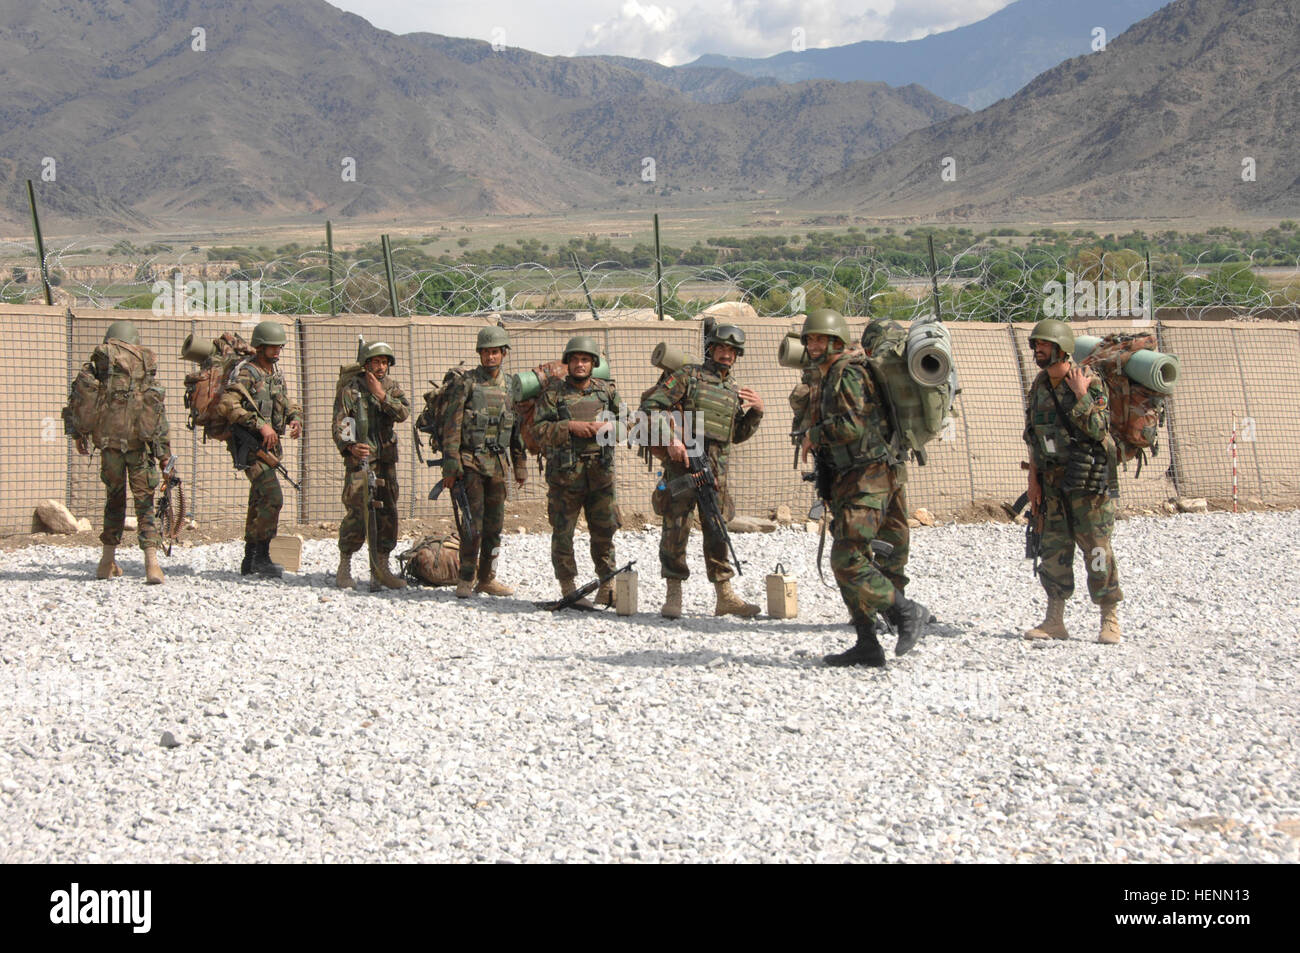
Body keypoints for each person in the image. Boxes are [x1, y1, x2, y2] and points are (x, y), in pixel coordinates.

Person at [799, 309, 928, 666]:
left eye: (819, 339)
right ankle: (867, 643)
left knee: (847, 557)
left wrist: (814, 435)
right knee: (850, 558)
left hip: (867, 479)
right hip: (847, 479)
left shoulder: (849, 373)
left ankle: (906, 611)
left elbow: (853, 426)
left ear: (836, 341)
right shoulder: (828, 376)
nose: (812, 345)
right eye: (809, 339)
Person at [639, 323, 763, 618]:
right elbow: (649, 407)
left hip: (715, 475)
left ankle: (725, 596)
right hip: (682, 467)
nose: (726, 354)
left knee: (717, 529)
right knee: (676, 528)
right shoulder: (688, 377)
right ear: (711, 349)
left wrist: (757, 411)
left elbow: (736, 434)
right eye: (721, 348)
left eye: (731, 351)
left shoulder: (733, 390)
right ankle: (674, 594)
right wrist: (671, 439)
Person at [1022, 319, 1122, 644]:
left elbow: (1099, 430)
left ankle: (1109, 618)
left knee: (1096, 551)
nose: (1038, 350)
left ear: (1061, 349)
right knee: (1053, 552)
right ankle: (1054, 621)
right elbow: (1034, 438)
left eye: (1044, 345)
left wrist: (1081, 396)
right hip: (1051, 486)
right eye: (1036, 345)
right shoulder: (1038, 386)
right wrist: (1033, 482)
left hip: (1086, 486)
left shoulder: (1089, 382)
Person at [65, 320, 173, 585]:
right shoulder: (143, 369)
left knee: (113, 502)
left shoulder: (99, 369)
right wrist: (164, 455)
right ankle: (152, 565)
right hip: (139, 447)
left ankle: (106, 562)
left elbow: (80, 403)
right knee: (145, 504)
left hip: (110, 448)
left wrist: (80, 435)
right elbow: (156, 413)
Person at [532, 336, 626, 607]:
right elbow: (537, 431)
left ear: (593, 363)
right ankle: (568, 588)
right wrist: (569, 427)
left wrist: (610, 429)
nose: (580, 364)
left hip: (601, 475)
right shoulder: (553, 394)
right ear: (568, 363)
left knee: (604, 531)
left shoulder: (606, 392)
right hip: (565, 478)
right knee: (563, 533)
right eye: (575, 359)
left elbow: (628, 422)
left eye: (585, 359)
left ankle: (607, 585)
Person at [440, 326, 527, 598]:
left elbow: (517, 430)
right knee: (472, 525)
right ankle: (466, 578)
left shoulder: (512, 386)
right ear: (480, 354)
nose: (490, 357)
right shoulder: (466, 383)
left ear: (503, 354)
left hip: (499, 464)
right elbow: (452, 426)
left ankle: (488, 577)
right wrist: (451, 466)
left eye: (495, 352)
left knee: (495, 525)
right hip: (471, 462)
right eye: (486, 352)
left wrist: (520, 464)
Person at [216, 320, 303, 579]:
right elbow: (227, 405)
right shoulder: (248, 374)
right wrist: (260, 425)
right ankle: (262, 556)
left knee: (259, 500)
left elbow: (286, 401)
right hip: (251, 447)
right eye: (272, 347)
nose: (277, 351)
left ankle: (250, 560)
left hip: (270, 448)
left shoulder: (274, 374)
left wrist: (294, 417)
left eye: (280, 347)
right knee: (273, 498)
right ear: (260, 347)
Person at [332, 341, 411, 590]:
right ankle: (344, 565)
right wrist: (351, 446)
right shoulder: (351, 389)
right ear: (366, 364)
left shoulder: (390, 387)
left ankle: (381, 567)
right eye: (376, 362)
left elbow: (403, 413)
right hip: (361, 459)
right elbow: (342, 422)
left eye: (384, 362)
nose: (380, 367)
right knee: (357, 511)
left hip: (385, 459)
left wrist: (381, 395)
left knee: (387, 512)